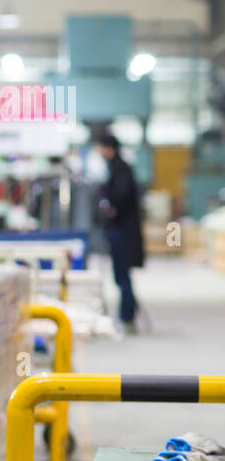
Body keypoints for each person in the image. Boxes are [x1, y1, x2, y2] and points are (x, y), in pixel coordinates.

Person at [93, 131, 144, 333]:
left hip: (122, 230)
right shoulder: (114, 168)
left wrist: (110, 208)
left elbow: (120, 198)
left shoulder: (121, 169)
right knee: (120, 275)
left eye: (101, 147)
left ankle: (128, 312)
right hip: (118, 229)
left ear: (109, 148)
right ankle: (128, 309)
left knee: (122, 275)